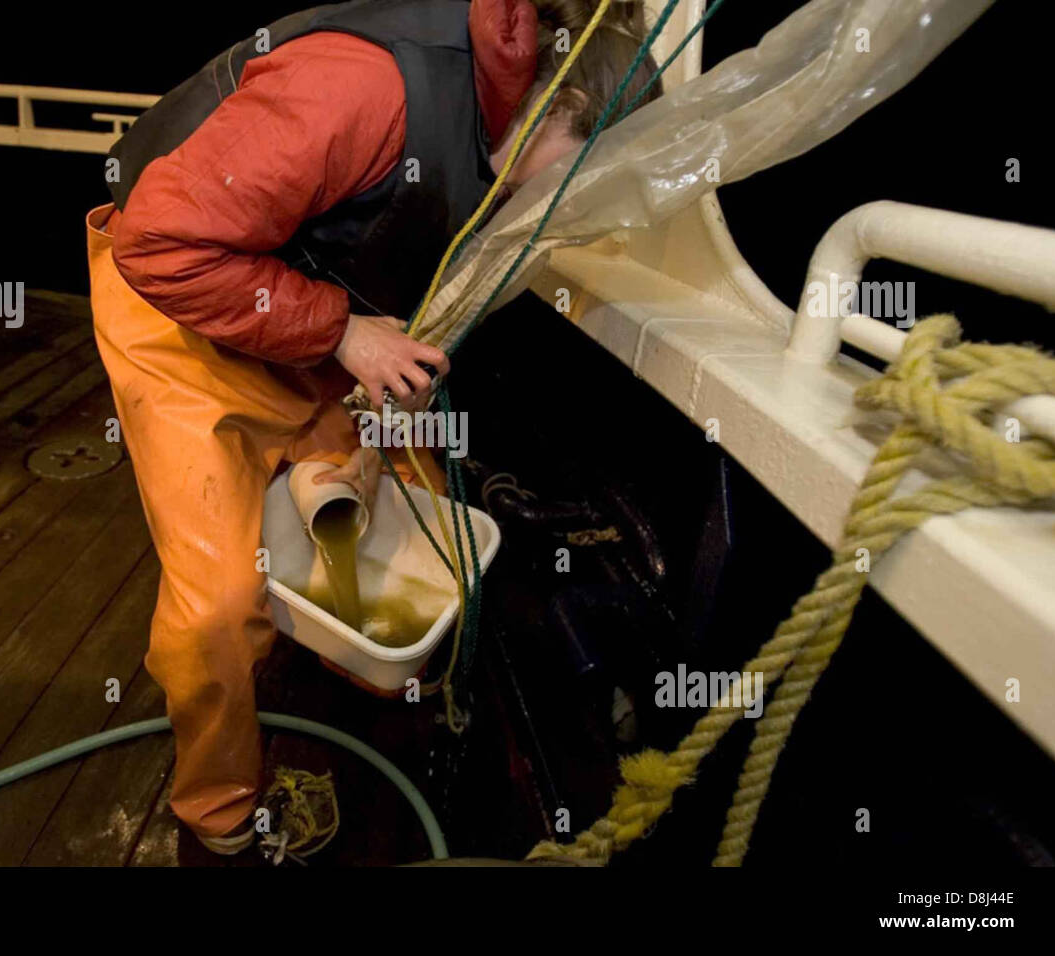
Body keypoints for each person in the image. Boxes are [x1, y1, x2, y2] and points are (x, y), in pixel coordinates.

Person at [86, 0, 660, 854]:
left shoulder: (502, 139)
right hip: (181, 304)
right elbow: (165, 246)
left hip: (303, 303)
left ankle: (355, 669)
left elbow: (397, 248)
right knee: (219, 605)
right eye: (576, 178)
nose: (561, 209)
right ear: (554, 105)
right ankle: (218, 816)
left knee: (411, 499)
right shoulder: (362, 91)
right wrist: (343, 334)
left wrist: (377, 372)